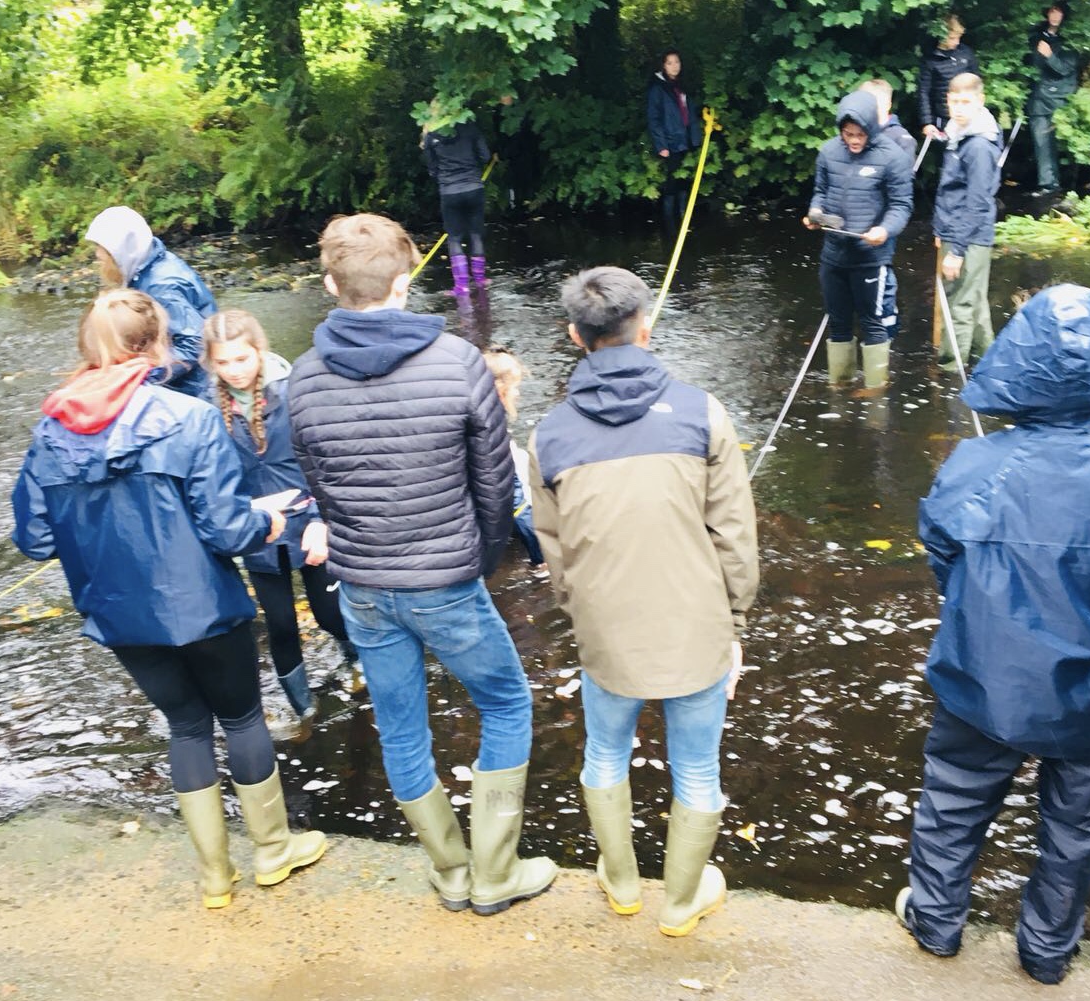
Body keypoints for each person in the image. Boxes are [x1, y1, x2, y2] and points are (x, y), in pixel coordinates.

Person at [11, 289, 326, 910]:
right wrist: (267, 522)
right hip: (204, 605)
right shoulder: (190, 418)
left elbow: (35, 537)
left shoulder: (49, 431)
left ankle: (214, 876)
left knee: (184, 726)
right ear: (156, 345)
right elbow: (226, 530)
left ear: (86, 348)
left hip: (118, 616)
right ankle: (271, 853)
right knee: (240, 718)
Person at [288, 212, 556, 916]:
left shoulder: (305, 380)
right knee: (504, 702)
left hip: (364, 587)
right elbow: (496, 485)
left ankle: (449, 870)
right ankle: (496, 872)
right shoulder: (457, 362)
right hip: (445, 578)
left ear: (328, 284)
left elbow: (320, 485)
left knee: (402, 726)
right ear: (406, 282)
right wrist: (476, 555)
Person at [897, 284, 1090, 985]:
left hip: (984, 678)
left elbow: (943, 555)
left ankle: (937, 923)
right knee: (1075, 833)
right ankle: (1045, 951)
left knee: (953, 801)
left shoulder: (977, 463)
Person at [528, 267, 759, 937]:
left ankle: (623, 882)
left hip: (605, 633)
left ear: (575, 336)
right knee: (696, 762)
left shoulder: (549, 434)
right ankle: (682, 902)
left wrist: (583, 617)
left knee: (604, 752)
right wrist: (734, 625)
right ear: (646, 329)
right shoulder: (702, 411)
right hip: (698, 630)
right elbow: (735, 539)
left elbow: (557, 551)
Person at [201, 308, 358, 723]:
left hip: (310, 524)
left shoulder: (293, 394)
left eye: (242, 359)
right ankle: (303, 707)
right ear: (210, 363)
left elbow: (328, 462)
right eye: (223, 362)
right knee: (282, 624)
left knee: (329, 614)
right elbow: (209, 483)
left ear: (260, 352)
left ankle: (355, 658)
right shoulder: (204, 410)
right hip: (256, 533)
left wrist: (325, 521)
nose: (234, 370)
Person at [804, 90, 913, 388]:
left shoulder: (893, 158)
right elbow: (821, 192)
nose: (853, 140)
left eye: (859, 134)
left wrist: (884, 230)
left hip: (870, 258)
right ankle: (840, 386)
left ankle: (876, 392)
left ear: (872, 129)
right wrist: (815, 213)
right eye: (847, 134)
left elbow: (902, 206)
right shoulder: (828, 152)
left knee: (872, 323)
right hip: (833, 255)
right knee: (838, 323)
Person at [84, 206, 215, 398]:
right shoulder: (149, 267)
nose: (98, 255)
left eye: (102, 248)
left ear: (121, 251)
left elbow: (196, 342)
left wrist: (144, 378)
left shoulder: (161, 287)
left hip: (198, 389)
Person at [933, 73, 1000, 372]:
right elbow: (950, 189)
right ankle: (992, 365)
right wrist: (940, 230)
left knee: (958, 304)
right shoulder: (957, 135)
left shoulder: (978, 146)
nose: (958, 108)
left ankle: (949, 374)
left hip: (969, 236)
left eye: (965, 102)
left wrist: (957, 250)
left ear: (979, 101)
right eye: (954, 101)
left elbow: (977, 201)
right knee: (975, 303)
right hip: (956, 230)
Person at [483, 347, 550, 580]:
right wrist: (542, 558)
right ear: (500, 390)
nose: (518, 394)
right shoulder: (492, 436)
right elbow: (515, 503)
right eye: (515, 388)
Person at [859, 78, 916, 337]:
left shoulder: (901, 139)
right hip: (858, 218)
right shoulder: (860, 134)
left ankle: (887, 329)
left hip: (884, 219)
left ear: (887, 104)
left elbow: (900, 186)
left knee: (881, 270)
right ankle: (868, 322)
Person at [422, 108, 492, 296]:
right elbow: (485, 157)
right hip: (474, 188)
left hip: (449, 191)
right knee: (476, 234)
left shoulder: (431, 136)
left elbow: (432, 169)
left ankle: (461, 287)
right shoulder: (470, 128)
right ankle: (480, 280)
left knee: (454, 238)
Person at [1027, 3, 1079, 197]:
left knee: (1061, 146)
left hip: (1061, 99)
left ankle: (1068, 184)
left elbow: (1065, 69)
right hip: (1039, 99)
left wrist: (1049, 55)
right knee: (1042, 144)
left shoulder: (1071, 40)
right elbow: (1030, 68)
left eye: (1059, 11)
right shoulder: (1035, 37)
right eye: (1051, 11)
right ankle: (1048, 185)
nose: (1055, 15)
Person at [647, 49, 701, 233]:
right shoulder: (658, 89)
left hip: (685, 139)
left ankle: (683, 216)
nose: (674, 66)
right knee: (671, 181)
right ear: (663, 65)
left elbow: (690, 113)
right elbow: (654, 119)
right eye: (670, 63)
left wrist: (695, 137)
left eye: (676, 62)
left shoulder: (682, 86)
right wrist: (661, 145)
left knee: (684, 179)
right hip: (670, 141)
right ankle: (669, 223)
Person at [917, 14, 980, 138]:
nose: (957, 42)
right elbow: (923, 92)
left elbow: (977, 83)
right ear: (941, 35)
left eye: (959, 37)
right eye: (952, 38)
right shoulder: (930, 59)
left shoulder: (966, 53)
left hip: (969, 116)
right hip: (943, 118)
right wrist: (927, 122)